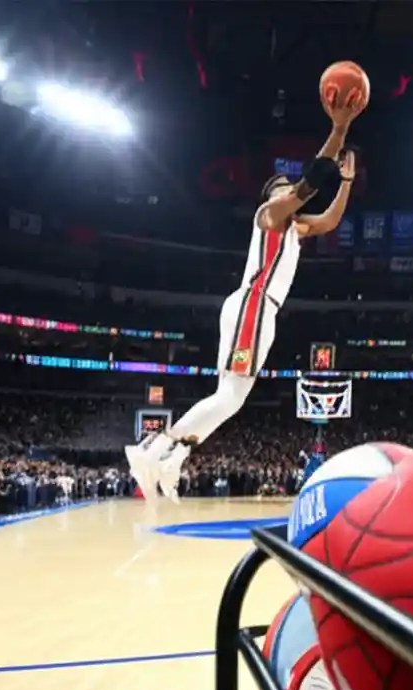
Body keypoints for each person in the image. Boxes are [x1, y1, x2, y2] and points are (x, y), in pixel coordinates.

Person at [125, 94, 363, 502]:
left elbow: (330, 219)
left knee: (230, 399)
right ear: (273, 195)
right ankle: (152, 448)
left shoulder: (293, 229)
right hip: (253, 304)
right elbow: (307, 188)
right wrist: (338, 130)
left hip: (261, 312)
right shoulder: (270, 215)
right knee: (229, 395)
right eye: (285, 188)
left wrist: (346, 182)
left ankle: (172, 458)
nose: (293, 192)